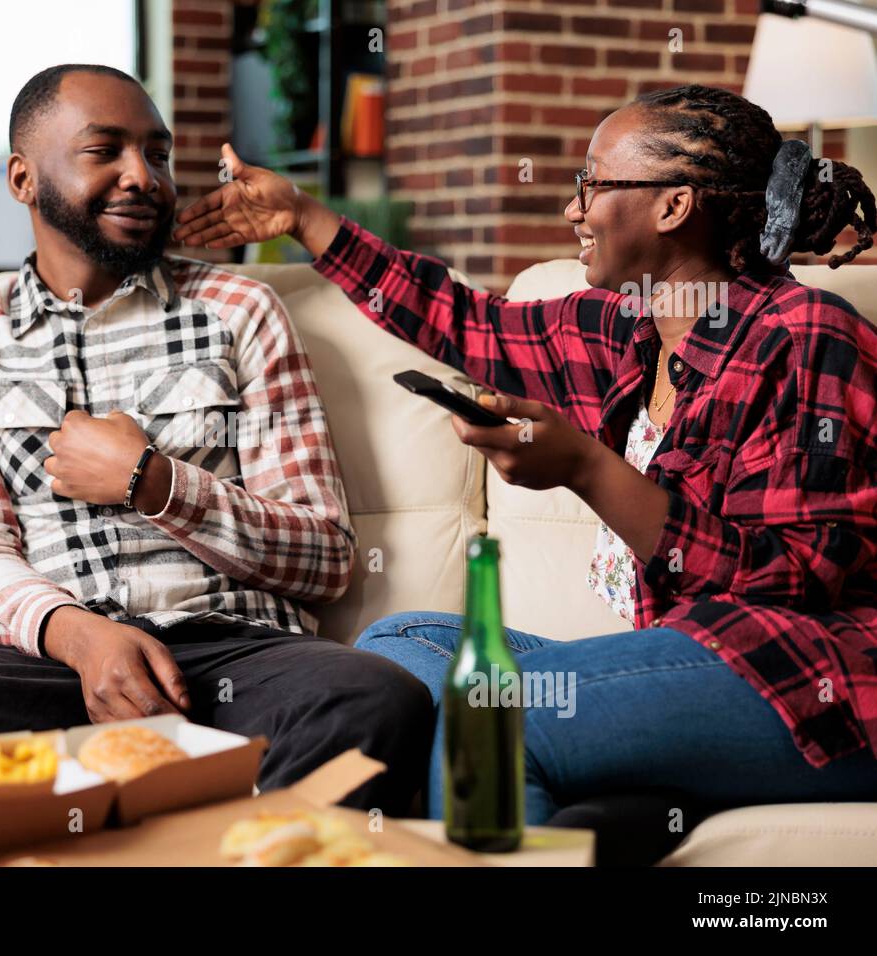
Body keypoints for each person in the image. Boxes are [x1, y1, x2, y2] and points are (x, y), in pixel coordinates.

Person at [174, 84, 877, 824]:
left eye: (594, 183)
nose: (574, 209)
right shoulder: (625, 328)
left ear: (674, 206)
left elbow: (790, 585)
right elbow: (463, 322)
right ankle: (611, 792)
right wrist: (306, 220)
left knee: (495, 712)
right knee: (403, 646)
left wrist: (585, 469)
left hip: (809, 682)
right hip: (691, 659)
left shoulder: (803, 336)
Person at [0, 64, 432, 815]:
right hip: (50, 659)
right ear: (24, 179)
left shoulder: (240, 311)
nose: (144, 177)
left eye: (157, 155)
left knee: (373, 700)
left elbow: (325, 556)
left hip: (237, 649)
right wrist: (83, 639)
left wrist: (155, 483)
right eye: (107, 151)